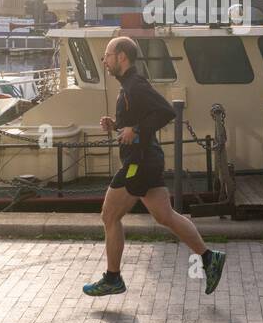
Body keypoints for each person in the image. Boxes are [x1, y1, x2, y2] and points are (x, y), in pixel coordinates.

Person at [83, 35, 226, 298]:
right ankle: (209, 258)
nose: (104, 60)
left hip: (140, 163)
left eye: (107, 55)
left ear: (122, 57)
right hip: (146, 159)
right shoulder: (128, 86)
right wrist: (116, 124)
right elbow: (140, 118)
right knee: (165, 216)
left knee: (109, 215)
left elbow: (165, 112)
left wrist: (135, 129)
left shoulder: (135, 85)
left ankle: (113, 278)